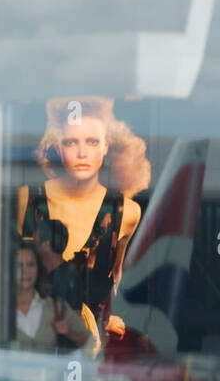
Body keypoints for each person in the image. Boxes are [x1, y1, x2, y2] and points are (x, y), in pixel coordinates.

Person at [17, 96, 149, 352]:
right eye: (70, 142)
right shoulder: (28, 199)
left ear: (105, 146)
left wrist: (103, 317)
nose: (81, 153)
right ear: (57, 147)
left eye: (91, 142)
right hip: (31, 347)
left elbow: (112, 284)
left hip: (88, 351)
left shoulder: (127, 213)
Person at [0, 238, 90, 351]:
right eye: (18, 265)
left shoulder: (54, 307)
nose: (24, 271)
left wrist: (68, 333)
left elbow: (88, 342)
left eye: (30, 264)